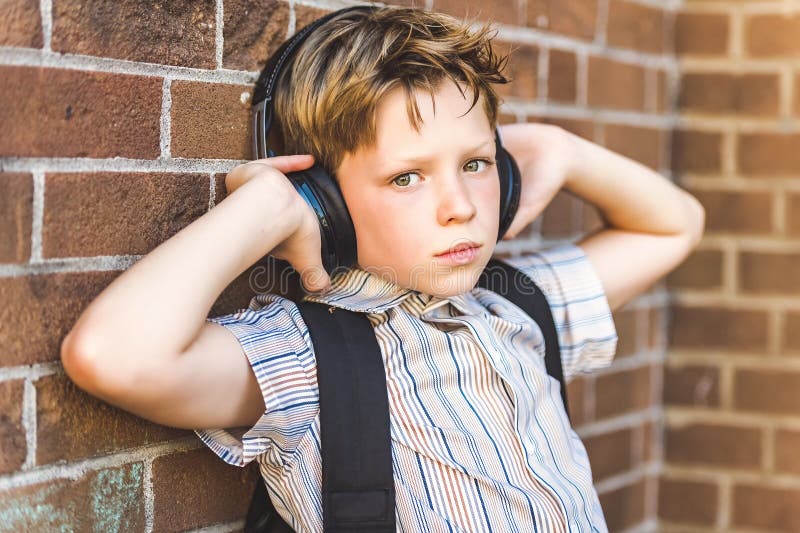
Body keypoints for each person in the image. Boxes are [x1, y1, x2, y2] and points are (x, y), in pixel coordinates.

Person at [60, 5, 705, 532]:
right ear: (328, 202)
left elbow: (675, 224)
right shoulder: (309, 354)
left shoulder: (517, 305)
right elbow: (114, 355)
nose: (460, 208)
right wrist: (268, 209)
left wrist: (562, 152)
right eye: (406, 177)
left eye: (477, 165)